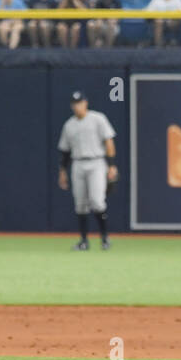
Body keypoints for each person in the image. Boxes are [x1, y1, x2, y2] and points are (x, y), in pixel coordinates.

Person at [57, 91, 116, 251]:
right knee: (80, 204)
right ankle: (83, 241)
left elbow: (109, 142)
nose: (77, 106)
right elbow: (65, 151)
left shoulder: (98, 119)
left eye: (80, 102)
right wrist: (62, 171)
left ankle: (104, 238)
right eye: (74, 103)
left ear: (86, 103)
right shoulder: (69, 125)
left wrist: (111, 165)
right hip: (77, 163)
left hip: (96, 162)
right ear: (71, 106)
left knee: (97, 201)